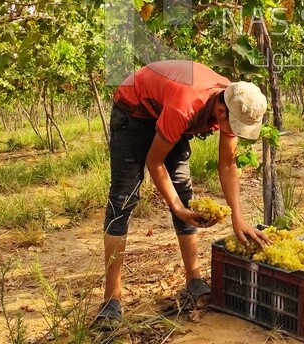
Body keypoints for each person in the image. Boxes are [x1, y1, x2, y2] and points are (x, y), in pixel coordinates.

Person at [94, 59, 271, 327]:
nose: (235, 133)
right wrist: (176, 208)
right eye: (235, 127)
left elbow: (227, 163)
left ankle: (194, 281)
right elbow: (155, 162)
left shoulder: (233, 99)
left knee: (184, 194)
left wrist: (238, 217)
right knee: (123, 198)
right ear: (221, 112)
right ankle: (111, 300)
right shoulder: (186, 106)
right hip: (133, 109)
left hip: (164, 108)